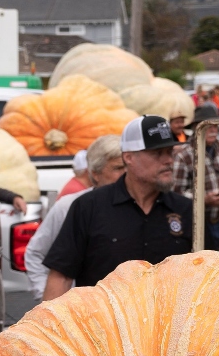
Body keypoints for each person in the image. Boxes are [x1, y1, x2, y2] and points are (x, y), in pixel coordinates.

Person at [42, 115, 193, 299]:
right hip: (101, 317)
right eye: (157, 153)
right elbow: (61, 277)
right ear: (129, 157)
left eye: (169, 152)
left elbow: (207, 277)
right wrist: (50, 317)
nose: (168, 160)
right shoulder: (89, 207)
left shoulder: (186, 210)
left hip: (169, 317)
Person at [24, 135, 125, 299]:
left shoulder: (144, 206)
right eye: (118, 168)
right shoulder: (69, 206)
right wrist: (50, 299)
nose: (126, 174)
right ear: (95, 173)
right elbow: (35, 253)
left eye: (128, 167)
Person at [172, 104, 219, 251]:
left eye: (216, 126)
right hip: (198, 222)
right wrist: (203, 199)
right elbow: (176, 194)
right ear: (197, 128)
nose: (214, 130)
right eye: (209, 126)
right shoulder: (184, 155)